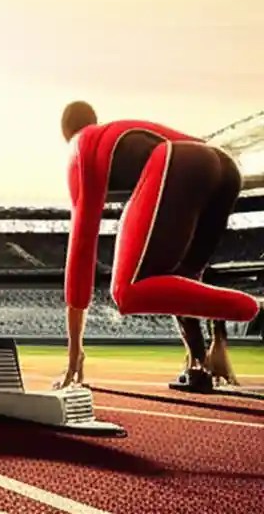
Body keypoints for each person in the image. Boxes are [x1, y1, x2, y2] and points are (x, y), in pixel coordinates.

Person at [56, 101, 264, 390]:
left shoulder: (81, 144)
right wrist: (217, 337)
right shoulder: (122, 130)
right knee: (184, 279)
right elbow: (185, 286)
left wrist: (74, 354)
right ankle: (201, 360)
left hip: (180, 161)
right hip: (226, 169)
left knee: (127, 291)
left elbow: (81, 246)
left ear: (66, 132)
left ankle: (256, 309)